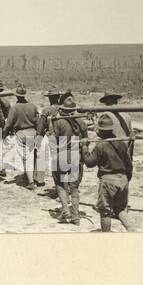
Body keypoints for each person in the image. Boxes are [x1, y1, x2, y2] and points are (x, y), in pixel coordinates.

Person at [82, 114, 135, 231]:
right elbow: (129, 165)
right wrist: (126, 179)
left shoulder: (101, 145)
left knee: (105, 212)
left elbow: (90, 163)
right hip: (123, 179)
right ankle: (132, 229)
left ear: (101, 131)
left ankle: (106, 237)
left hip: (108, 181)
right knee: (120, 209)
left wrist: (84, 147)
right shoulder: (121, 143)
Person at [51, 96, 86, 225]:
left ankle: (65, 209)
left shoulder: (59, 122)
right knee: (74, 187)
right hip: (76, 155)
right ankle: (76, 216)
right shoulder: (82, 122)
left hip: (63, 154)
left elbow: (54, 140)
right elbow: (85, 141)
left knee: (60, 183)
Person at [2, 86, 41, 189]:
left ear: (16, 95)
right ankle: (32, 176)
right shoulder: (32, 106)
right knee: (32, 156)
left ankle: (31, 182)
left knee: (26, 157)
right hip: (33, 132)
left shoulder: (15, 108)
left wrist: (4, 134)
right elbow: (38, 122)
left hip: (21, 133)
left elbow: (9, 123)